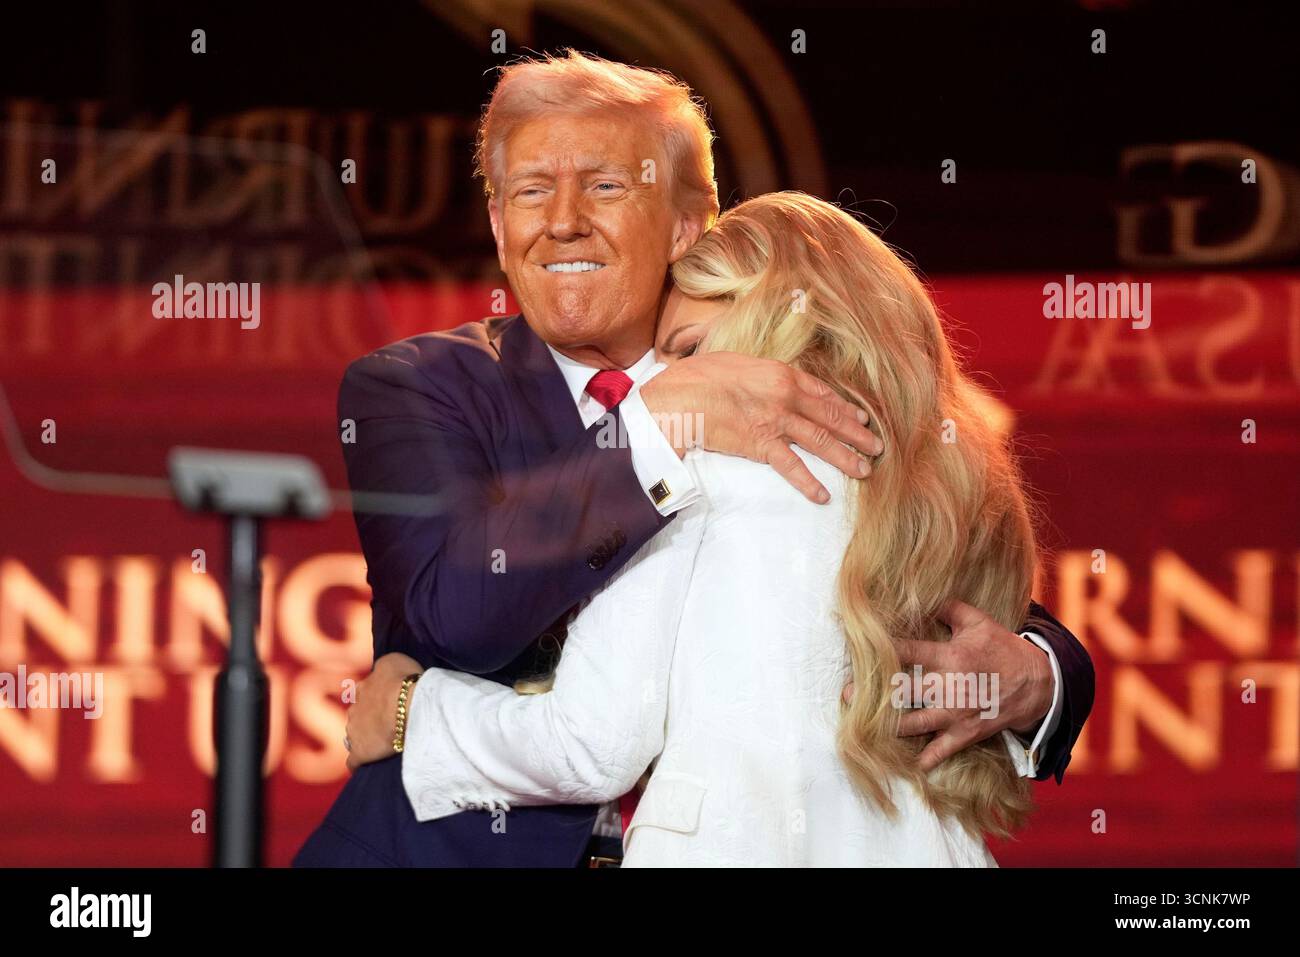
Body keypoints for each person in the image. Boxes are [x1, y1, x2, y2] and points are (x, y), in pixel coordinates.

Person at [295, 51, 1092, 868]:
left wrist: (1043, 674)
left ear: (689, 220)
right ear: (499, 225)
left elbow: (912, 555)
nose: (562, 219)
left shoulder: (790, 396)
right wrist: (657, 423)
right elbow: (452, 608)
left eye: (605, 185)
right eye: (531, 190)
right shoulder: (418, 386)